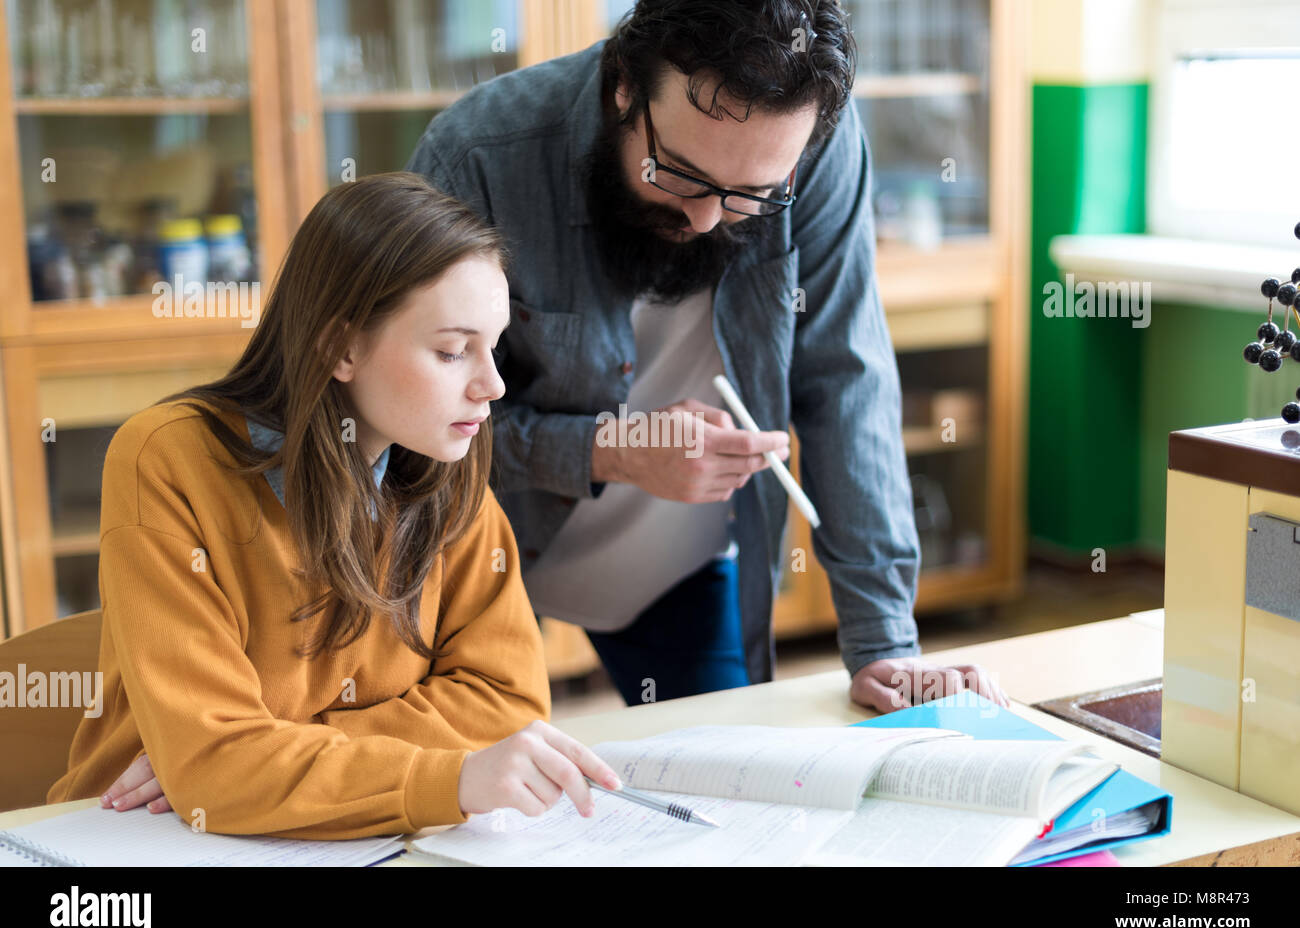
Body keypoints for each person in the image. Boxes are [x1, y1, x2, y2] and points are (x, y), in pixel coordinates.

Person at [406, 0, 1009, 711]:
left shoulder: (815, 146)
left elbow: (845, 379)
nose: (706, 220)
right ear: (624, 84)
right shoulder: (479, 155)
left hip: (677, 564)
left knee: (729, 783)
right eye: (680, 174)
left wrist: (885, 644)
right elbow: (415, 429)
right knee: (484, 787)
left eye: (752, 195)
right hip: (488, 548)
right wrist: (612, 450)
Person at [47, 172, 621, 837]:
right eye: (451, 351)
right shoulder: (167, 462)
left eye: (492, 347)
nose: (490, 386)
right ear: (340, 346)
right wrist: (449, 776)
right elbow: (216, 771)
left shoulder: (447, 462)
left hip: (329, 834)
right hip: (137, 839)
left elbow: (510, 704)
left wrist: (260, 754)